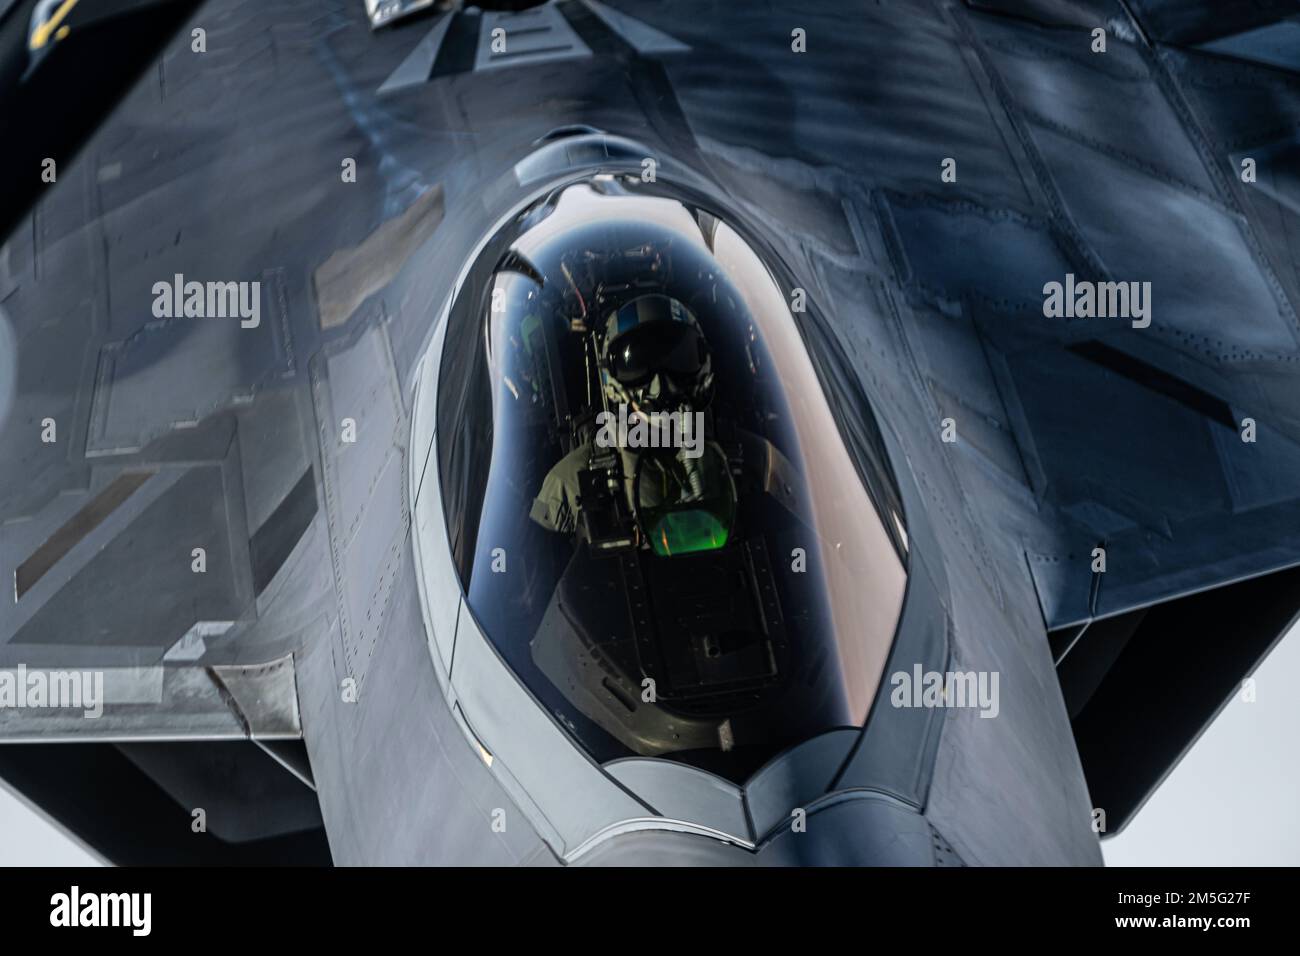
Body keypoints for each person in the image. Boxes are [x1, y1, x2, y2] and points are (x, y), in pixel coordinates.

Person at [529, 294, 723, 539]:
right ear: (612, 381)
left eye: (677, 359)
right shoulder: (567, 485)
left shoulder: (738, 460)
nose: (660, 386)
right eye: (638, 365)